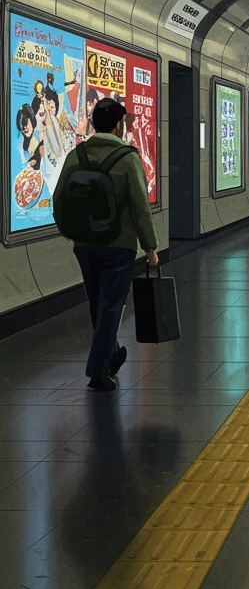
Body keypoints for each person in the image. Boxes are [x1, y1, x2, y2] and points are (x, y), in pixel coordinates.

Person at [52, 98, 158, 391]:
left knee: (97, 302)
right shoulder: (127, 158)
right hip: (119, 244)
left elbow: (59, 198)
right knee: (111, 306)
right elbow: (139, 207)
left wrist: (71, 232)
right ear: (117, 126)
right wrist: (150, 246)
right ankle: (98, 370)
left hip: (84, 244)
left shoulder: (77, 155)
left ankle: (111, 354)